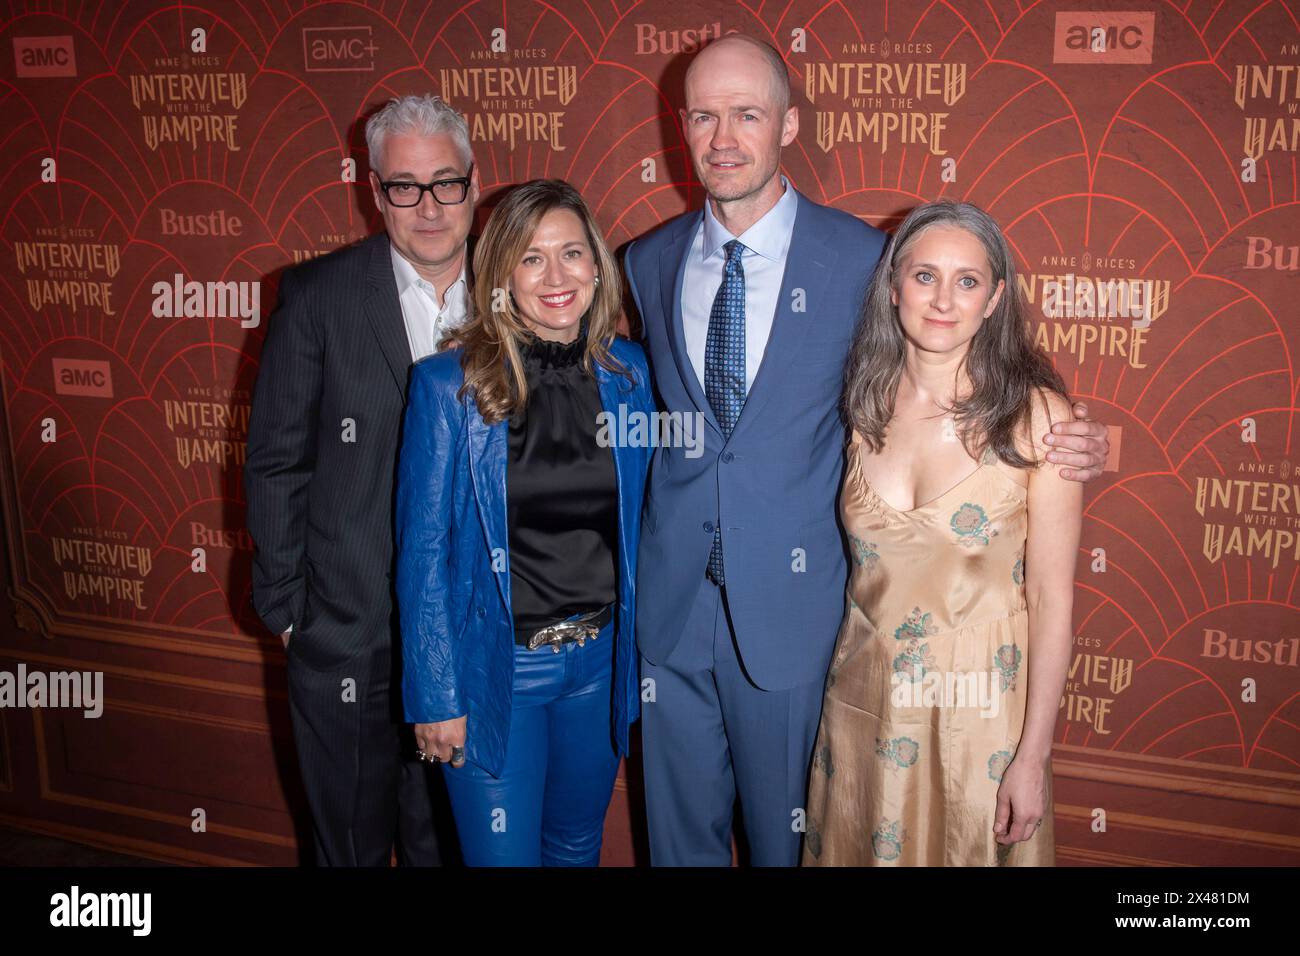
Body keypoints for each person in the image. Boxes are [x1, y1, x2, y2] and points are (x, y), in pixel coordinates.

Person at [623, 34, 1111, 866]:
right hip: (669, 616)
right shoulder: (646, 260)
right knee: (676, 848)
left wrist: (1085, 437)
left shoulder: (859, 259)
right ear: (682, 127)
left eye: (748, 113)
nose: (724, 136)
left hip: (793, 618)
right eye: (704, 116)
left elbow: (959, 345)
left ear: (788, 124)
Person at [803, 199, 1080, 866]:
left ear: (995, 300)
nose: (943, 300)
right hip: (864, 700)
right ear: (893, 284)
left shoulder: (1039, 417)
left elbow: (1051, 600)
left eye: (968, 280)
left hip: (981, 714)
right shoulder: (859, 400)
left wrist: (1032, 756)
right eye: (925, 275)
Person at [244, 93, 478, 865]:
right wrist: (288, 612)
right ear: (374, 192)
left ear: (474, 183)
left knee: (444, 843)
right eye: (404, 187)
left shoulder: (523, 292)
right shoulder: (317, 298)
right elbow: (277, 460)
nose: (429, 207)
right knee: (347, 844)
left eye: (445, 182)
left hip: (468, 634)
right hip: (348, 634)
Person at [396, 179, 655, 866]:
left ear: (598, 265)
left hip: (599, 666)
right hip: (497, 672)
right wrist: (435, 694)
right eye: (532, 258)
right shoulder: (447, 386)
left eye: (572, 253)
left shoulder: (630, 375)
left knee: (575, 847)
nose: (557, 276)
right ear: (502, 273)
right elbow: (422, 553)